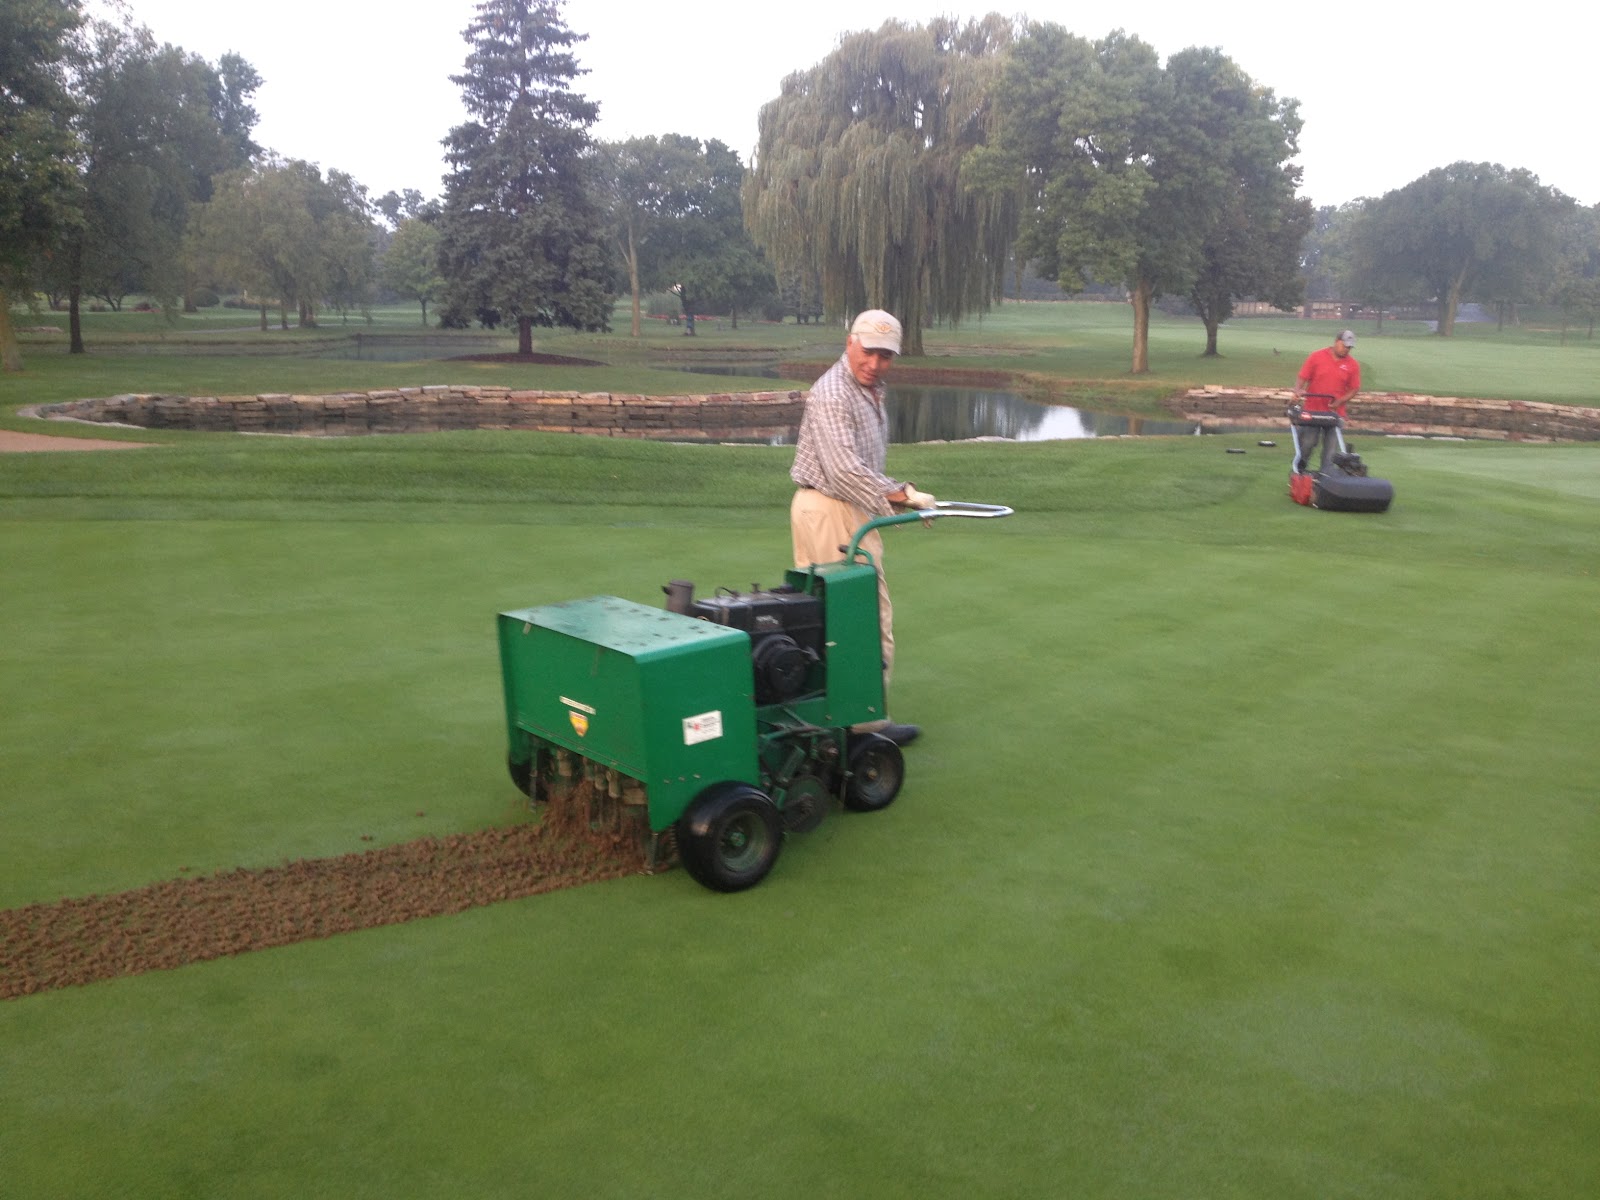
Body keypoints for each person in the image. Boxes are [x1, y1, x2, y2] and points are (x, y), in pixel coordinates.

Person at [790, 309, 934, 748]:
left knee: (843, 619)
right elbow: (843, 471)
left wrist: (898, 500)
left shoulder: (869, 389)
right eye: (869, 351)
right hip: (830, 509)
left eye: (885, 356)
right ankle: (859, 730)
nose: (875, 363)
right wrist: (901, 493)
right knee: (859, 619)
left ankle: (850, 720)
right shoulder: (833, 392)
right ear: (850, 342)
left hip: (847, 512)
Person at [1292, 329, 1361, 473]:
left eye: (1349, 347)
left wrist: (1340, 401)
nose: (1347, 350)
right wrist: (1298, 390)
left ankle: (1326, 476)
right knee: (1307, 443)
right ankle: (1299, 470)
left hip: (1335, 413)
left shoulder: (1352, 365)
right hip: (1313, 409)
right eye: (1345, 346)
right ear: (1337, 342)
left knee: (1331, 449)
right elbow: (1302, 376)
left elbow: (1354, 389)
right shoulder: (1316, 357)